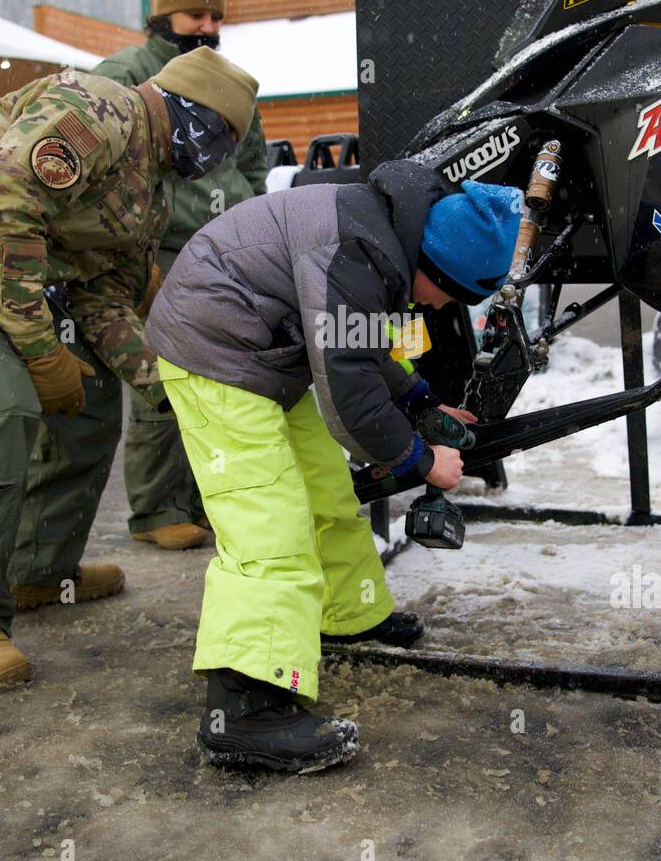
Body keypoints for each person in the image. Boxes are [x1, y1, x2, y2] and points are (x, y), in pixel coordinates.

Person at [146, 159, 521, 773]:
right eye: (450, 293)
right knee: (268, 521)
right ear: (436, 266)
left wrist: (421, 403)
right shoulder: (362, 251)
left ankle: (346, 613)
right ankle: (244, 710)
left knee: (325, 489)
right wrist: (424, 460)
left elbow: (359, 345)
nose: (440, 305)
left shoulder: (388, 236)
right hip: (215, 350)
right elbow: (349, 394)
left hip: (270, 350)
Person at [0, 47, 257, 689]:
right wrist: (42, 353)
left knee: (87, 414)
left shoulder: (150, 187)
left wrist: (176, 392)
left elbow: (105, 301)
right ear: (192, 115)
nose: (218, 157)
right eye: (221, 137)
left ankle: (37, 571)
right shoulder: (101, 110)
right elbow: (1, 201)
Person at [92, 0, 268, 551]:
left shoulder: (229, 77)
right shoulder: (123, 73)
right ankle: (155, 510)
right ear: (163, 13)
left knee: (215, 378)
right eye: (196, 13)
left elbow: (252, 162)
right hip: (154, 249)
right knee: (162, 372)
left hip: (223, 251)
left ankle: (201, 501)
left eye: (216, 15)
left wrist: (253, 216)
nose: (207, 25)